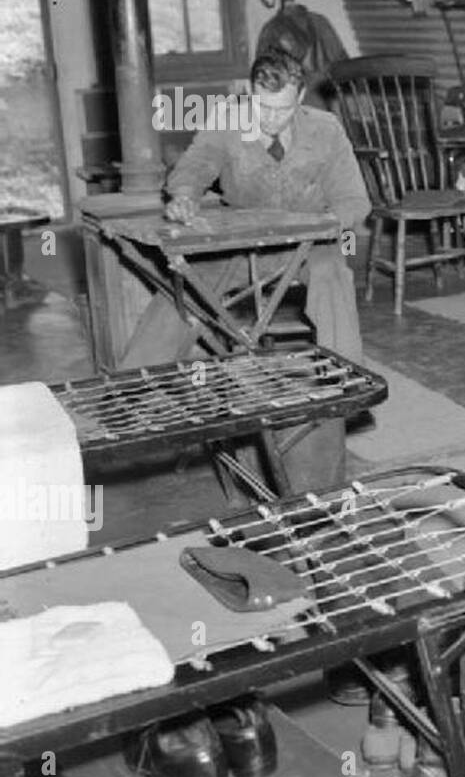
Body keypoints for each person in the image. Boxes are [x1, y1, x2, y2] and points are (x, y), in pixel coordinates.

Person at [120, 47, 371, 490]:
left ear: (299, 98)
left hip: (307, 243)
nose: (270, 119)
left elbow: (355, 200)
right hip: (242, 244)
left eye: (282, 109)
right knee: (188, 284)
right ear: (249, 93)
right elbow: (194, 166)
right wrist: (185, 197)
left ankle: (346, 384)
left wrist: (325, 224)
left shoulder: (325, 129)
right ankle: (129, 392)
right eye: (262, 106)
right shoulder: (228, 119)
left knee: (333, 273)